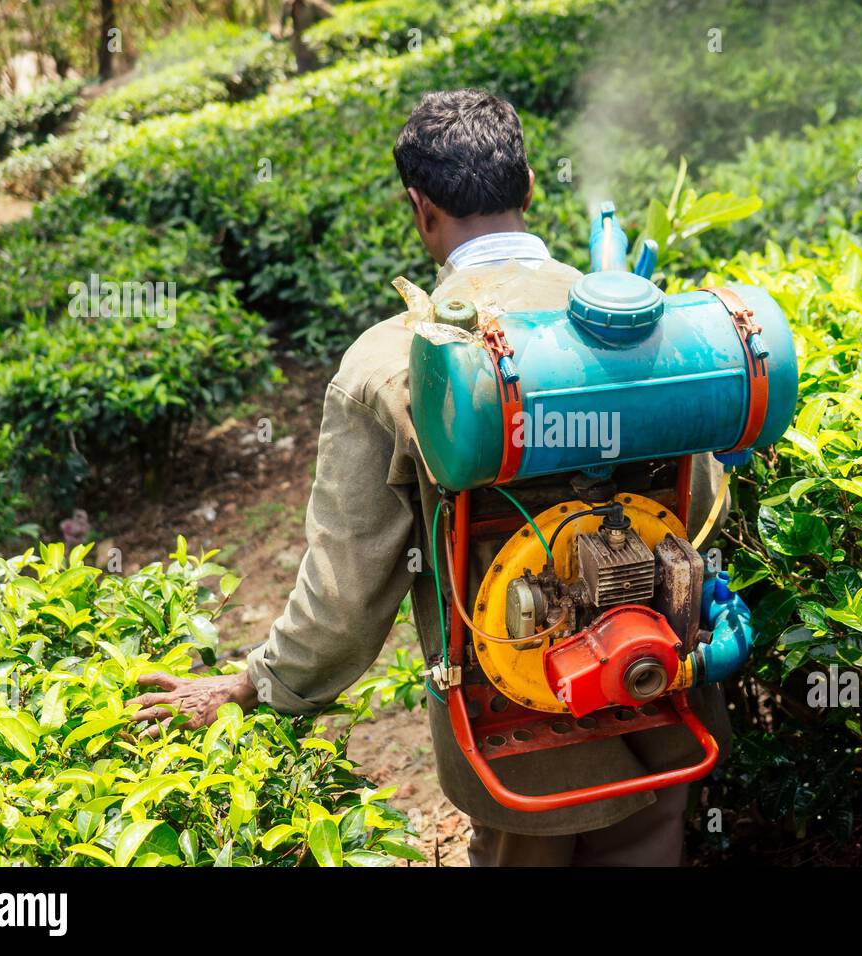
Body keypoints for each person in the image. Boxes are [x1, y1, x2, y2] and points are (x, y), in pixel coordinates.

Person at [129, 88, 731, 866]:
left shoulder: (392, 362)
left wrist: (256, 684)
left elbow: (346, 593)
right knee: (649, 841)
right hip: (661, 688)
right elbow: (705, 502)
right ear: (530, 189)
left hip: (515, 724)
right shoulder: (645, 325)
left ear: (421, 209)